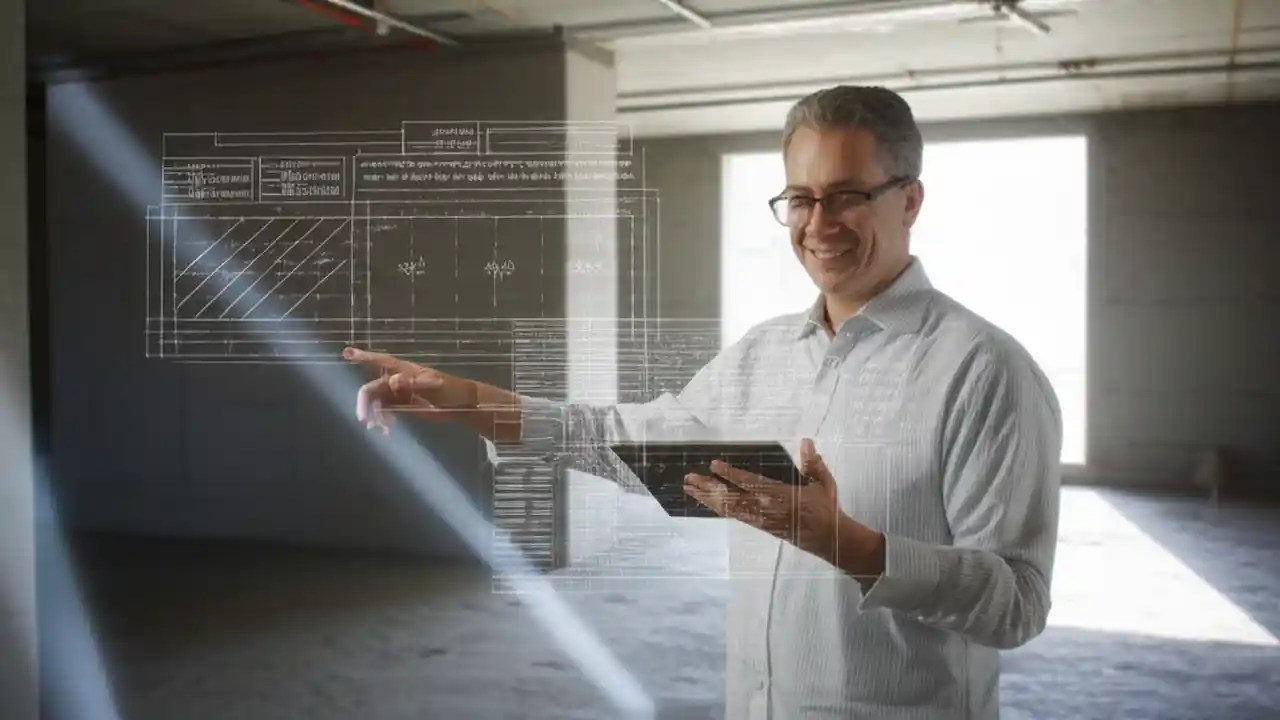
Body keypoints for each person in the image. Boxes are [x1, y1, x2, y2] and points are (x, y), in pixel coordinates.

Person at [343, 85, 1062, 720]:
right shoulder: (765, 353)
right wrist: (470, 401)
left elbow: (1017, 604)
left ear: (909, 199)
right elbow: (628, 444)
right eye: (800, 199)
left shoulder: (983, 370)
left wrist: (845, 544)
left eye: (847, 195)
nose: (818, 224)